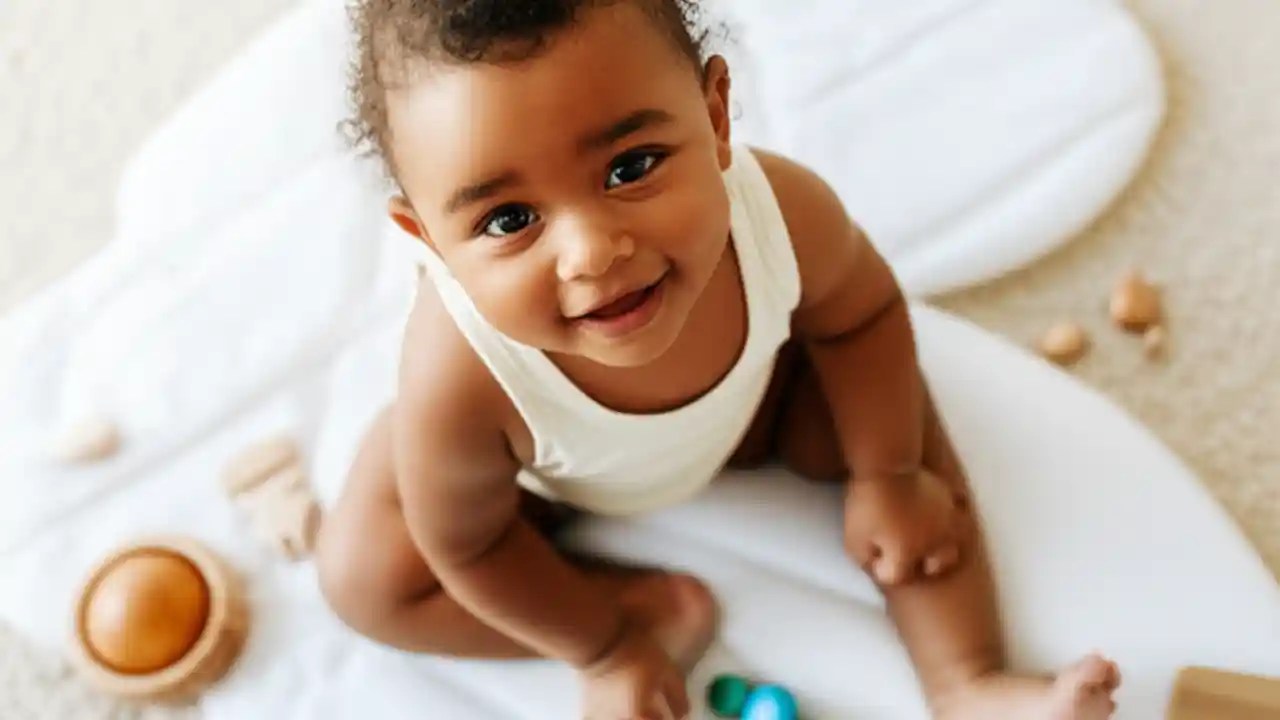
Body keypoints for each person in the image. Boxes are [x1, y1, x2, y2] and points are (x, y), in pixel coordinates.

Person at [315, 1, 1122, 717]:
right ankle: (641, 612)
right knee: (365, 579)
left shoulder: (783, 216)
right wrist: (603, 649)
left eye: (630, 168)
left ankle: (969, 682)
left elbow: (864, 316)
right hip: (538, 488)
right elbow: (471, 547)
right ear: (428, 239)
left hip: (754, 410)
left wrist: (887, 475)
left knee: (900, 438)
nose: (593, 252)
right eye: (509, 219)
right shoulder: (457, 380)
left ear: (716, 115)